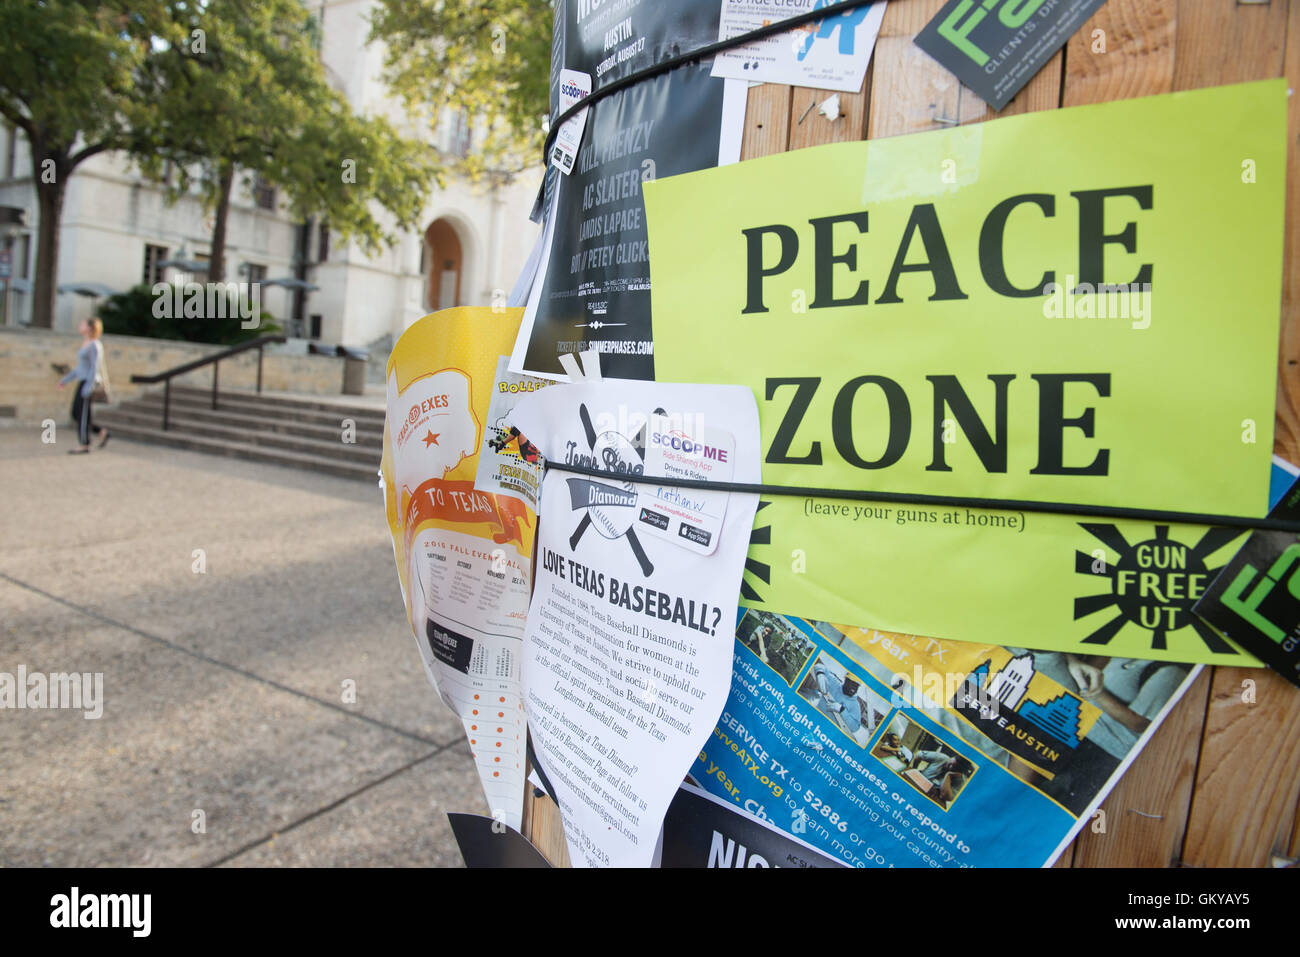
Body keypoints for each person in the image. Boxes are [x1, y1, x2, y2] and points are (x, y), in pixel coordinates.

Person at [58, 317, 110, 453]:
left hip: (88, 382)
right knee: (77, 413)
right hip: (82, 381)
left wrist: (88, 386)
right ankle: (101, 432)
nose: (80, 325)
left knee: (81, 414)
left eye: (83, 324)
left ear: (90, 328)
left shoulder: (94, 345)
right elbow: (80, 368)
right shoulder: (85, 343)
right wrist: (66, 380)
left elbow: (95, 367)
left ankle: (84, 444)